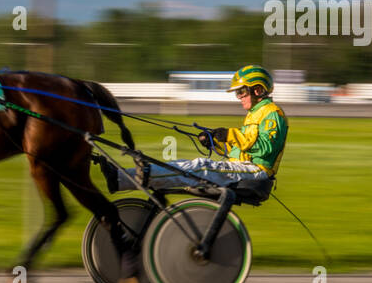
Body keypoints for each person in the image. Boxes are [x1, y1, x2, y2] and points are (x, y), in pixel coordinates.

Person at [117, 64, 288, 193]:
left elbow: (266, 149)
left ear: (257, 90)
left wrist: (229, 134)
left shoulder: (272, 113)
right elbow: (243, 149)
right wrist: (215, 142)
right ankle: (124, 174)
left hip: (256, 171)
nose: (238, 97)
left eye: (241, 92)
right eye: (237, 93)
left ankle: (122, 179)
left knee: (200, 167)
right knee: (182, 164)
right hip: (244, 166)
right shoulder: (255, 113)